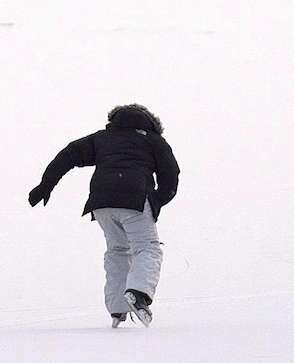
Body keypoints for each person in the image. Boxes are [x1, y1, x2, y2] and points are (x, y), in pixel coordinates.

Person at [28, 103, 180, 327]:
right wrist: (158, 200)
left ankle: (118, 307)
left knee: (117, 250)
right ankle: (138, 294)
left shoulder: (102, 138)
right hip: (134, 199)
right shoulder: (153, 140)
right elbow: (171, 174)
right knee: (147, 247)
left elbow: (68, 155)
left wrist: (46, 184)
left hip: (101, 203)